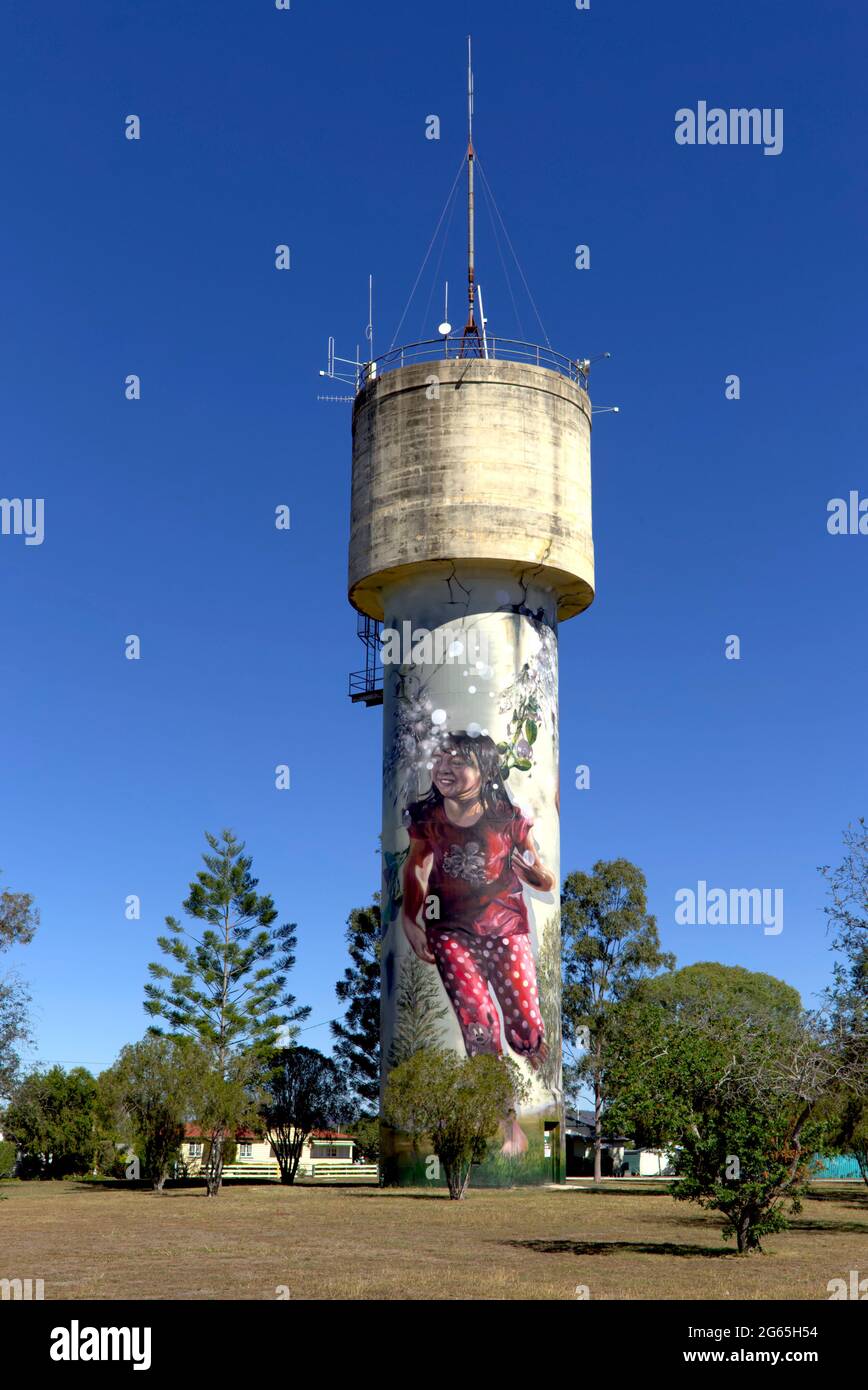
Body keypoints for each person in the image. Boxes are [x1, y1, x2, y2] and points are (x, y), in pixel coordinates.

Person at [401, 731, 554, 1079]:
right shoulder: (427, 817)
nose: (444, 768)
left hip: (507, 928)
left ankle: (532, 1052)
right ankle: (494, 1095)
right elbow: (417, 867)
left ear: (484, 771)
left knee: (525, 1017)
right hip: (449, 930)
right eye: (440, 760)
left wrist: (537, 876)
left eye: (458, 762)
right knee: (475, 1016)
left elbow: (543, 875)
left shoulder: (507, 817)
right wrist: (411, 921)